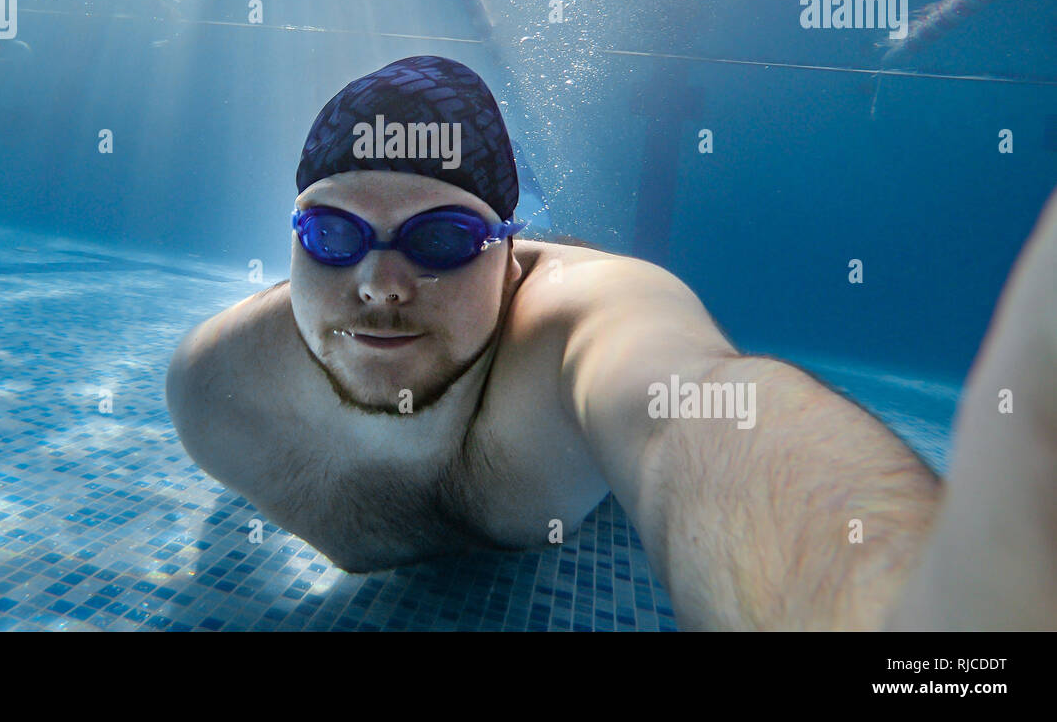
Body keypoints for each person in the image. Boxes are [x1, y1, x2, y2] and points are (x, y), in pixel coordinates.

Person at [166, 55, 1056, 630]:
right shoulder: (215, 395)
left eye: (439, 238)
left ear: (508, 250)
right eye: (333, 234)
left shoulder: (581, 325)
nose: (381, 282)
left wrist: (890, 616)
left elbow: (687, 414)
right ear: (290, 239)